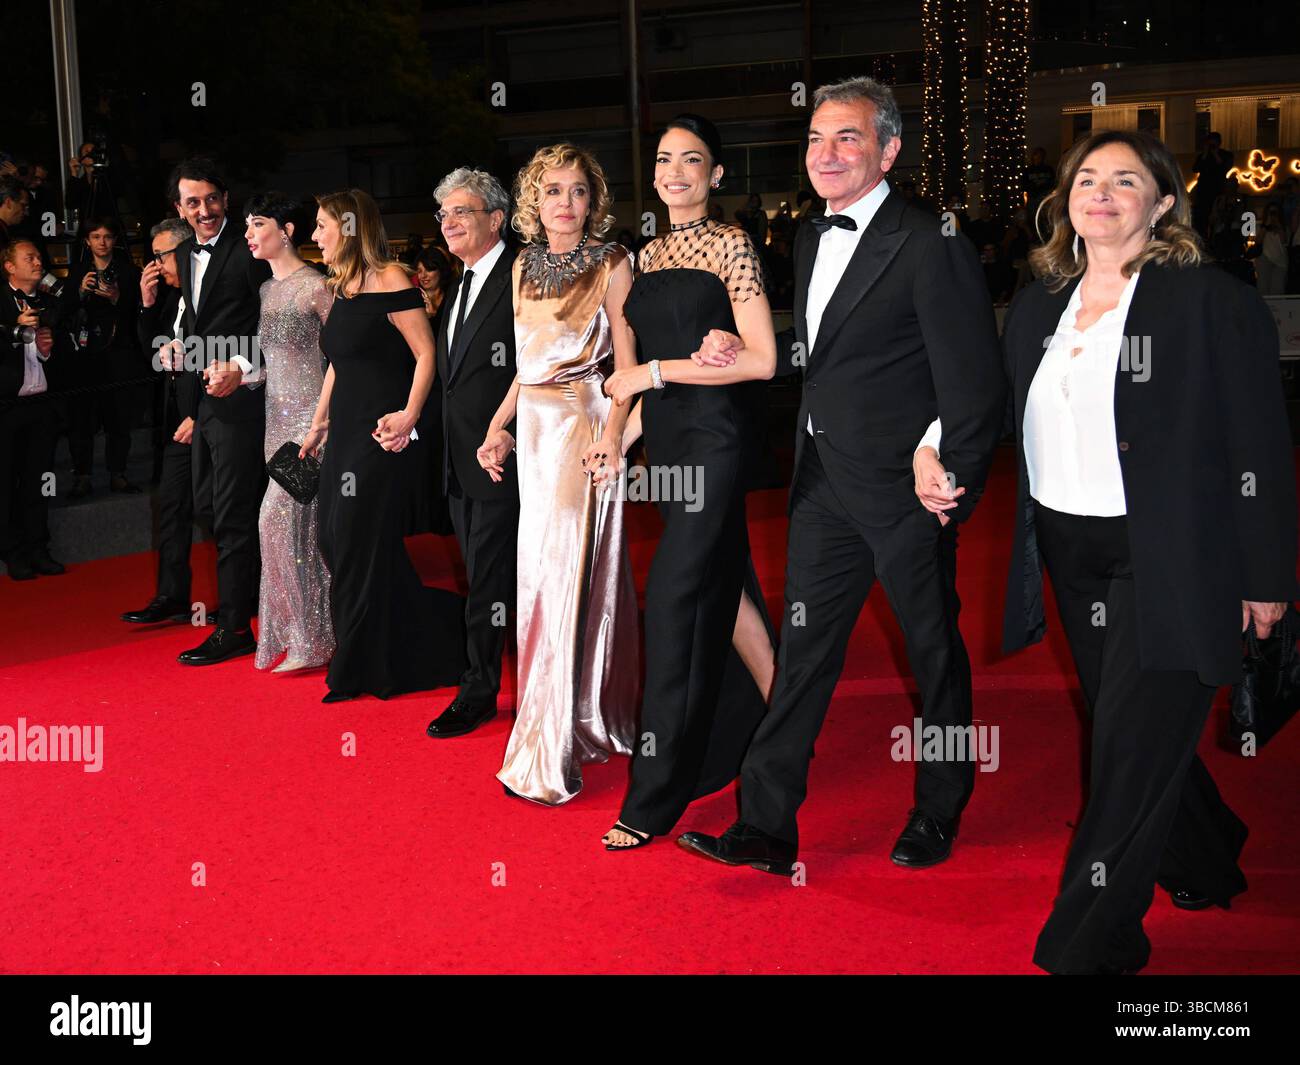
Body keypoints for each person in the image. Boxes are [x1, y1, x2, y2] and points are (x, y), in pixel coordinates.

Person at [681, 76, 1005, 873]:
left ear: (889, 149)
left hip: (905, 490)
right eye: (818, 138)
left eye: (849, 138)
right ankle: (765, 821)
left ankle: (938, 808)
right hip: (824, 481)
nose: (828, 154)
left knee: (933, 652)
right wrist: (728, 344)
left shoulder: (933, 242)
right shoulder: (808, 237)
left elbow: (976, 381)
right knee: (806, 653)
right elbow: (830, 359)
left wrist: (945, 465)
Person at [1001, 129, 1296, 975]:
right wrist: (932, 442)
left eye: (1125, 180)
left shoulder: (1208, 299)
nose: (1101, 192)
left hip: (1168, 554)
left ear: (1162, 202)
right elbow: (1000, 406)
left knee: (1126, 752)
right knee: (1134, 728)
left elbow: (1258, 445)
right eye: (1087, 178)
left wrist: (1267, 575)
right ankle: (1203, 852)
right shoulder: (1040, 300)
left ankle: (1089, 946)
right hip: (1068, 547)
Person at [598, 113, 779, 850]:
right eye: (666, 159)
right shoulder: (641, 257)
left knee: (671, 600)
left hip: (715, 442)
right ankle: (787, 716)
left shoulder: (731, 243)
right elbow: (643, 382)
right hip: (666, 450)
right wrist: (621, 435)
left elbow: (763, 359)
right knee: (724, 586)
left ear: (717, 175)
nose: (676, 172)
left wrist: (655, 372)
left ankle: (654, 794)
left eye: (692, 160)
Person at [475, 144, 639, 805]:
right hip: (537, 429)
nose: (565, 203)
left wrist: (613, 436)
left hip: (583, 423)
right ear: (533, 203)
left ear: (592, 199)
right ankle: (581, 718)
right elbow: (528, 362)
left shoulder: (612, 262)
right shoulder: (521, 266)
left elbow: (626, 362)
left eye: (576, 191)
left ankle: (546, 752)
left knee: (561, 579)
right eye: (552, 192)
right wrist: (498, 424)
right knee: (540, 575)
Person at [303, 189, 465, 702]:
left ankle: (360, 663)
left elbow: (426, 353)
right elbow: (337, 364)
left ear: (349, 228)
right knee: (337, 540)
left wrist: (409, 415)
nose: (314, 235)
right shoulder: (342, 287)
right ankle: (414, 636)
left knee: (354, 540)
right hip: (345, 430)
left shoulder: (392, 278)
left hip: (380, 434)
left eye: (322, 225)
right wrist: (318, 422)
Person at [424, 169, 520, 739]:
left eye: (461, 212)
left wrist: (507, 429)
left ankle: (479, 690)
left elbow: (540, 363)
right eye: (444, 215)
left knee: (488, 582)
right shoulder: (459, 284)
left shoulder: (521, 274)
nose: (449, 223)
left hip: (506, 456)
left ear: (496, 219)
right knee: (485, 577)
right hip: (461, 460)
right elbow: (454, 378)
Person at [170, 157, 273, 665]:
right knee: (207, 509)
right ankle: (247, 598)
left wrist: (239, 364)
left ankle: (235, 626)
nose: (205, 209)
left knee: (232, 514)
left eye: (212, 198)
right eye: (194, 202)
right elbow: (198, 322)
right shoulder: (185, 253)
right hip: (206, 404)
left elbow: (274, 320)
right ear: (180, 209)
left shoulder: (250, 248)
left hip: (246, 399)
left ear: (226, 200)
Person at [246, 192, 335, 672]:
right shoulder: (265, 291)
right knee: (298, 534)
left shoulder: (317, 286)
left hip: (311, 425)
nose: (249, 234)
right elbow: (272, 365)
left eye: (257, 224)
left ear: (287, 231)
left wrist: (323, 420)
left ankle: (310, 639)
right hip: (273, 424)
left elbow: (342, 359)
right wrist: (238, 374)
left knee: (273, 523)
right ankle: (314, 631)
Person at [122, 218, 214, 623]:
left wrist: (201, 414)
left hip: (214, 418)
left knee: (217, 512)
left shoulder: (210, 295)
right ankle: (172, 596)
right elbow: (152, 355)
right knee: (172, 506)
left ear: (182, 251)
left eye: (160, 256)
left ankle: (245, 597)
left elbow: (233, 358)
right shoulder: (170, 299)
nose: (155, 265)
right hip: (180, 420)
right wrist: (145, 303)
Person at [60, 215, 143, 498]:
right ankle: (82, 475)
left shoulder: (128, 272)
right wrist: (81, 291)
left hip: (118, 353)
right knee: (81, 418)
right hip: (84, 356)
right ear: (87, 241)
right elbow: (63, 312)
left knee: (118, 417)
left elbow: (138, 312)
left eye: (107, 236)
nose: (102, 242)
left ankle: (117, 473)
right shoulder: (79, 271)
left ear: (115, 240)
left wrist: (118, 297)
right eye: (96, 237)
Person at [0, 239, 67, 580]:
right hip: (7, 408)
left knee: (41, 480)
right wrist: (15, 328)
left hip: (43, 405)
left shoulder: (51, 300)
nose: (38, 261)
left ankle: (39, 547)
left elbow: (65, 348)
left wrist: (46, 349)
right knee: (6, 481)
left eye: (39, 257)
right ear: (10, 266)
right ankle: (14, 553)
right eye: (30, 258)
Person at [1192, 132, 1233, 238]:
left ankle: (1217, 240)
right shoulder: (1203, 156)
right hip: (1203, 191)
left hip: (1218, 190)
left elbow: (1225, 168)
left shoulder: (1226, 155)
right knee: (1202, 218)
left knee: (1218, 217)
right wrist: (1205, 154)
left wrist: (1216, 154)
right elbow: (1195, 169)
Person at [413, 246, 453, 319]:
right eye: (419, 271)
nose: (423, 276)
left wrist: (433, 315)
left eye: (429, 269)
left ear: (441, 270)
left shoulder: (454, 296)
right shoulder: (414, 300)